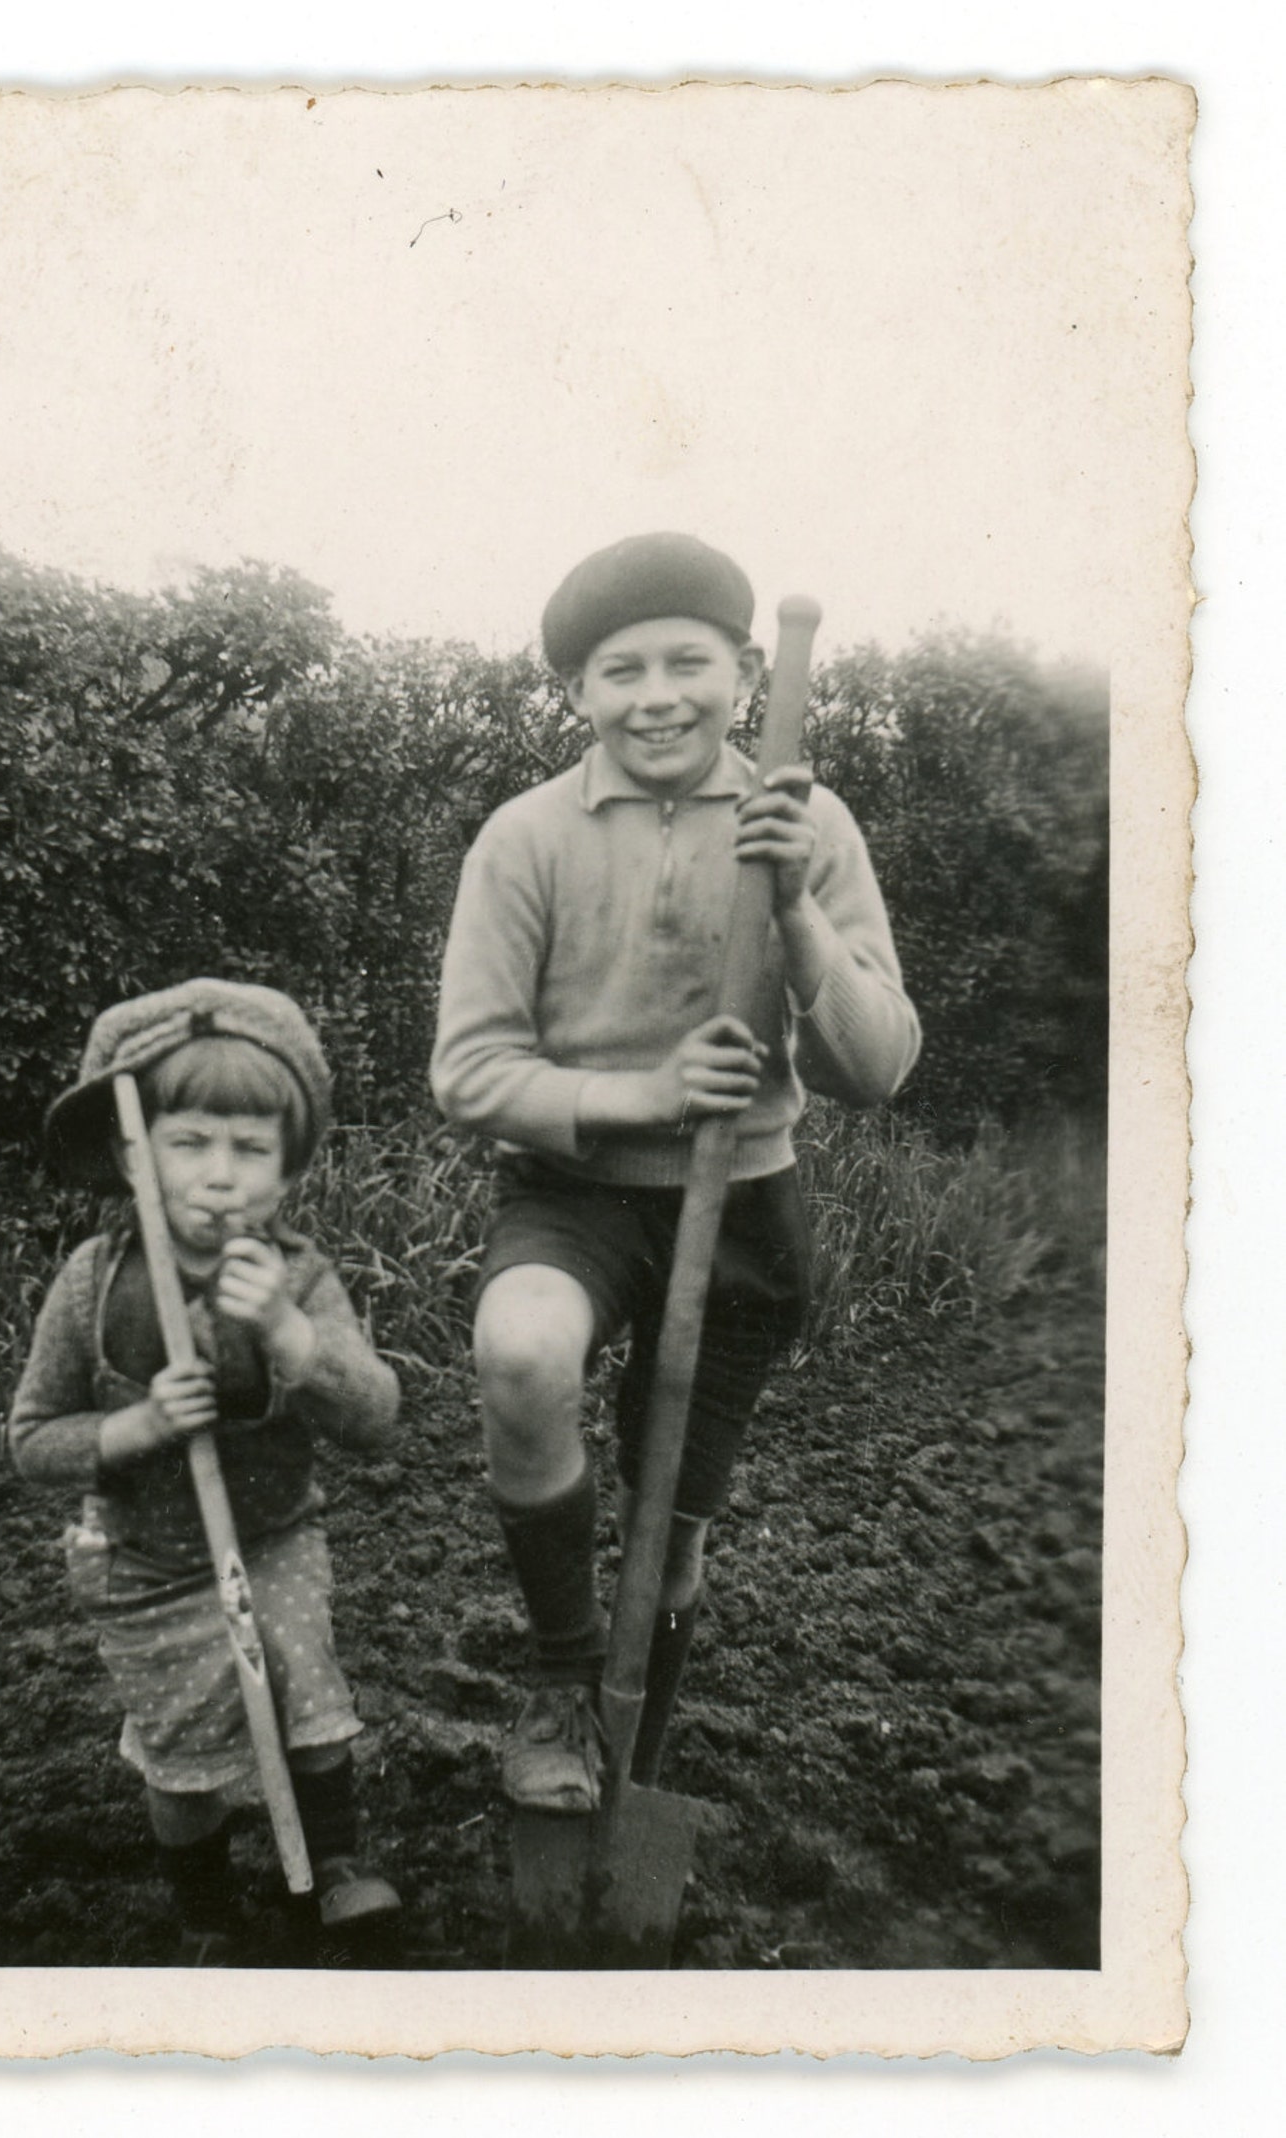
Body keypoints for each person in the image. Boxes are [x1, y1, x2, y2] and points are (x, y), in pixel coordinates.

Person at [431, 532, 921, 1813]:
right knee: (522, 1351)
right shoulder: (523, 837)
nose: (656, 694)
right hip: (572, 1191)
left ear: (748, 669)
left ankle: (631, 1758)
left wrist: (797, 908)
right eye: (619, 668)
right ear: (577, 693)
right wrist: (639, 1094)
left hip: (747, 1203)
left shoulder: (811, 825)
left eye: (687, 663)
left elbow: (878, 1068)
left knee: (675, 1538)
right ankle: (556, 1678)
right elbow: (468, 1071)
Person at [8, 977, 403, 1961]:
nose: (221, 1174)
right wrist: (134, 1422)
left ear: (286, 1166)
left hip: (270, 1530)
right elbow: (32, 1438)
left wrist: (284, 1330)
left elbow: (375, 1417)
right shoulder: (93, 1285)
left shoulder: (298, 1276)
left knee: (305, 1689)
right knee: (183, 1758)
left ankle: (336, 1864)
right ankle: (205, 1911)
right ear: (134, 1151)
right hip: (143, 1559)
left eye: (249, 1147)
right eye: (190, 1142)